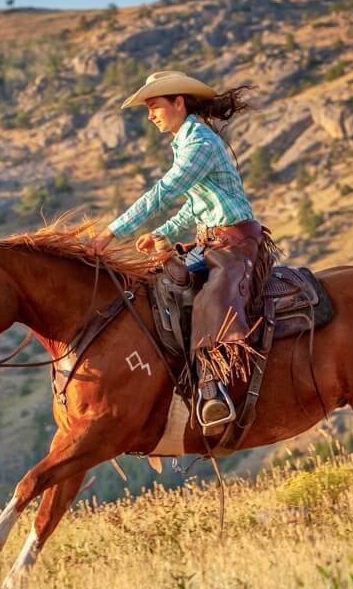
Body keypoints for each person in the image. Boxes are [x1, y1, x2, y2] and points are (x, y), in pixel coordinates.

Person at [88, 70, 275, 435]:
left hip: (234, 244)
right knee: (159, 291)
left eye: (154, 106)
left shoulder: (200, 145)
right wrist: (162, 232)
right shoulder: (188, 143)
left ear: (178, 102)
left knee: (211, 304)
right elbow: (192, 208)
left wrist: (112, 233)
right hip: (210, 242)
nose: (150, 115)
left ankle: (215, 389)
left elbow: (165, 192)